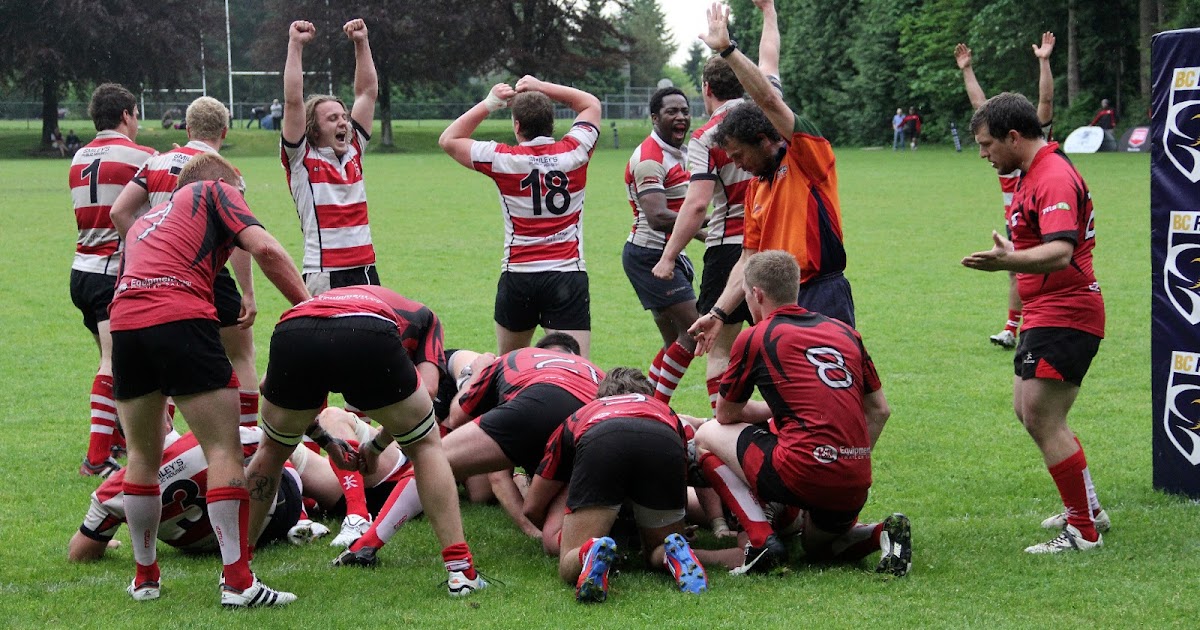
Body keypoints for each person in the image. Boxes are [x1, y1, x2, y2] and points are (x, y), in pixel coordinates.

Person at [109, 153, 310, 606]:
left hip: (125, 323)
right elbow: (265, 249)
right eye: (242, 191)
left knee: (142, 455)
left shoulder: (144, 223)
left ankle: (145, 579)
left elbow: (132, 279)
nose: (243, 199)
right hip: (178, 314)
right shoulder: (215, 190)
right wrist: (310, 308)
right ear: (226, 180)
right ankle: (238, 582)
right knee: (223, 449)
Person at [245, 284, 486, 596]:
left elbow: (267, 386)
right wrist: (377, 446)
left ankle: (237, 576)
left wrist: (325, 440)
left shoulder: (325, 303)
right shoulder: (425, 318)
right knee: (426, 445)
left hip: (293, 327)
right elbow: (427, 393)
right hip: (368, 330)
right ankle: (460, 569)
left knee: (272, 449)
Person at [693, 250, 910, 576]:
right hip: (854, 476)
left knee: (706, 435)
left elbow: (726, 414)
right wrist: (844, 457)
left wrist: (773, 412)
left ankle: (760, 542)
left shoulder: (756, 335)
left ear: (757, 294)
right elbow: (880, 410)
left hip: (801, 470)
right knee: (817, 547)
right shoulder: (846, 332)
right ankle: (882, 532)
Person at [961, 92, 1109, 553]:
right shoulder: (1032, 172)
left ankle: (1083, 530)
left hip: (1067, 312)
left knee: (1044, 418)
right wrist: (1015, 254)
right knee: (1029, 411)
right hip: (1046, 312)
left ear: (1013, 136)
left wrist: (1008, 261)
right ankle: (1088, 508)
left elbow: (1061, 251)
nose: (983, 155)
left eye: (987, 145)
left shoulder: (1052, 176)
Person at [688, 2, 855, 358]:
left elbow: (767, 97)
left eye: (739, 156)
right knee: (782, 387)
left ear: (764, 140)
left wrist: (727, 50)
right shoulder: (756, 188)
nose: (737, 165)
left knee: (830, 384)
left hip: (821, 293)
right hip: (775, 302)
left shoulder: (806, 156)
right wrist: (718, 313)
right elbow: (748, 259)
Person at [652, 0, 781, 412]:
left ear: (706, 89)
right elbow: (769, 58)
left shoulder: (707, 137)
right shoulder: (769, 107)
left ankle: (720, 425)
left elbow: (696, 205)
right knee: (776, 340)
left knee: (717, 343)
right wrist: (768, 13)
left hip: (731, 248)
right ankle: (782, 420)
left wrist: (669, 256)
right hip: (778, 242)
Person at [110, 96, 263, 431]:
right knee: (241, 353)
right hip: (208, 272)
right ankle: (248, 435)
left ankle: (166, 440)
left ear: (188, 128)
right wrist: (248, 292)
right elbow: (239, 238)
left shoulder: (156, 162)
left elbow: (119, 211)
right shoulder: (224, 172)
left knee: (162, 357)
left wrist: (142, 250)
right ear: (224, 131)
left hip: (154, 277)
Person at [438, 76, 601, 358]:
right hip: (566, 275)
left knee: (508, 367)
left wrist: (489, 103)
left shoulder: (503, 159)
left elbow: (448, 139)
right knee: (575, 369)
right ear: (552, 123)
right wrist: (541, 86)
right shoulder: (575, 151)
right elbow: (590, 104)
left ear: (517, 126)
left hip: (519, 277)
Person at [523, 368, 708, 602]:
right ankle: (672, 551)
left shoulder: (580, 414)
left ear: (600, 396)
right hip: (662, 438)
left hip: (602, 439)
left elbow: (532, 506)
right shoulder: (665, 411)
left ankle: (589, 550)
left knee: (568, 561)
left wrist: (566, 530)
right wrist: (675, 524)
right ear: (647, 395)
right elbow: (678, 483)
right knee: (657, 546)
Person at [438, 333, 603, 552]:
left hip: (525, 402)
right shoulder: (595, 374)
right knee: (481, 492)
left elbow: (458, 417)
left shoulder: (517, 359)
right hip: (589, 426)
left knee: (435, 462)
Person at [69, 83, 156, 477]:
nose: (137, 122)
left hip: (81, 270)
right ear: (125, 115)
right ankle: (96, 457)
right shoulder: (143, 157)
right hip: (111, 272)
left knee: (114, 358)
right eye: (136, 114)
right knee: (113, 360)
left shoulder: (79, 156)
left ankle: (119, 436)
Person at [68, 428, 307, 562]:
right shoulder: (207, 439)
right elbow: (275, 442)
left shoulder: (111, 491)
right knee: (278, 452)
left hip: (203, 547)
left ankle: (146, 578)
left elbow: (79, 553)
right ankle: (307, 515)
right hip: (272, 516)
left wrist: (104, 541)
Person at [956, 34, 1056, 350]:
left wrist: (1044, 61)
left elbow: (1046, 102)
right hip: (1015, 217)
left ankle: (1039, 324)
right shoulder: (1000, 149)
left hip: (1042, 216)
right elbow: (980, 108)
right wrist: (967, 69)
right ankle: (1012, 328)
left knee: (1038, 269)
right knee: (1015, 271)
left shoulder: (1031, 149)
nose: (985, 152)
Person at [282, 19, 381, 295]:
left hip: (366, 269)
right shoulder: (301, 158)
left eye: (343, 117)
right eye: (332, 119)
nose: (343, 123)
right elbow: (293, 101)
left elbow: (367, 93)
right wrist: (295, 44)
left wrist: (361, 42)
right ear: (314, 129)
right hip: (325, 273)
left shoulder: (354, 149)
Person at [623, 86, 700, 405]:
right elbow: (657, 216)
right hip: (649, 257)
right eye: (672, 112)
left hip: (664, 255)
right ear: (655, 118)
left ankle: (645, 404)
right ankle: (656, 407)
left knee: (675, 342)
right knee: (694, 333)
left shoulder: (681, 152)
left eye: (685, 111)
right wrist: (707, 224)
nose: (681, 117)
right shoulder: (649, 159)